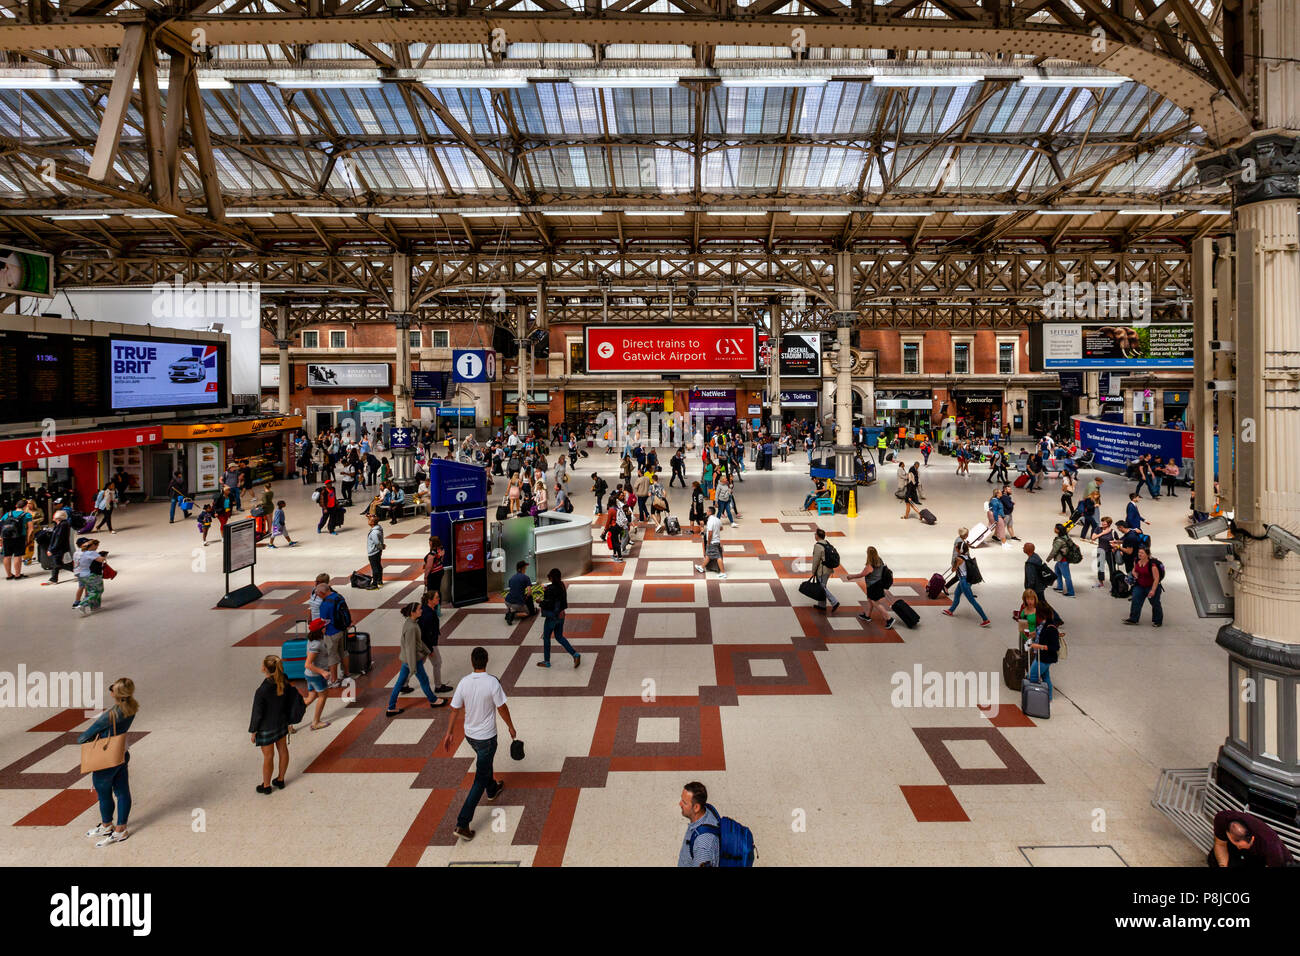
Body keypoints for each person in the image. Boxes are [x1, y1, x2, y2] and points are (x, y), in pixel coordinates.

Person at [442, 647, 518, 842]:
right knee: (479, 778)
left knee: (485, 764)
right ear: (486, 661)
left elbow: (454, 709)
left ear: (472, 661)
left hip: (470, 736)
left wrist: (449, 732)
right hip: (487, 738)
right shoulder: (492, 683)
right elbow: (502, 707)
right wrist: (511, 727)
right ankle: (463, 823)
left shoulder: (464, 682)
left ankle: (492, 788)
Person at [78, 677, 138, 847]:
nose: (110, 690)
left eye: (112, 688)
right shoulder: (132, 707)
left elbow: (82, 738)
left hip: (106, 759)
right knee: (122, 791)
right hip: (121, 753)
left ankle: (106, 825)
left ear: (116, 694)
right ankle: (121, 830)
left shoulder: (110, 715)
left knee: (103, 793)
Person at [386, 602, 449, 717]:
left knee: (399, 683)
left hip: (407, 660)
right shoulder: (411, 627)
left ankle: (391, 707)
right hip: (413, 660)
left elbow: (418, 643)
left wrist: (427, 651)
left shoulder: (411, 623)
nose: (422, 611)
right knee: (424, 680)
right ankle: (433, 700)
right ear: (412, 612)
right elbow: (411, 649)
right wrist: (413, 667)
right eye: (419, 609)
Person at [249, 655, 296, 794]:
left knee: (268, 756)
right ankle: (281, 779)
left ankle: (266, 785)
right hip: (281, 722)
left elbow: (257, 713)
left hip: (265, 728)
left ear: (264, 668)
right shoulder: (284, 681)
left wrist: (253, 731)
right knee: (283, 750)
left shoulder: (262, 691)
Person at [1208, 810, 1293, 868]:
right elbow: (1220, 845)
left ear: (1252, 839)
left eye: (1242, 846)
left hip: (1263, 858)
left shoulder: (1270, 845)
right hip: (1241, 852)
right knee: (1213, 859)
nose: (1239, 847)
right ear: (1228, 834)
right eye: (1238, 846)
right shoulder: (1222, 818)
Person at [538, 567, 581, 668]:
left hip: (552, 617)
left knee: (546, 638)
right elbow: (557, 597)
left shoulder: (550, 589)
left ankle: (546, 661)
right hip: (561, 615)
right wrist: (547, 589)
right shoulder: (561, 585)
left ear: (551, 578)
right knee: (559, 637)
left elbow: (548, 604)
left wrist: (540, 601)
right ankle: (575, 654)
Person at [847, 546, 895, 630]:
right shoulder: (879, 560)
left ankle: (889, 619)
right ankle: (867, 615)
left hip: (873, 586)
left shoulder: (870, 566)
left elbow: (861, 575)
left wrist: (851, 577)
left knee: (876, 603)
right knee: (870, 600)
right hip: (878, 584)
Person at [942, 551, 991, 626]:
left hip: (963, 581)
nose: (955, 549)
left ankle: (985, 619)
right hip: (968, 579)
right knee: (957, 594)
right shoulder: (967, 556)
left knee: (972, 600)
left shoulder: (959, 559)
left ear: (959, 550)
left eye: (957, 547)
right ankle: (950, 610)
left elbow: (953, 570)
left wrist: (954, 562)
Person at [678, 781, 721, 867]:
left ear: (696, 807)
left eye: (684, 802)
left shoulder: (702, 845)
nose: (680, 804)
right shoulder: (706, 812)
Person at [419, 588, 453, 694]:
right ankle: (438, 686)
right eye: (437, 597)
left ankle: (404, 684)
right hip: (429, 644)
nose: (439, 599)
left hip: (425, 643)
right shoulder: (428, 614)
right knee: (437, 663)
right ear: (430, 600)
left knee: (418, 663)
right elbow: (426, 633)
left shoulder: (426, 610)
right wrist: (430, 649)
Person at [301, 617, 332, 730]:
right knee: (323, 696)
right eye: (324, 626)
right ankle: (316, 722)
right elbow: (308, 664)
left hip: (310, 675)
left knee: (310, 697)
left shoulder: (313, 640)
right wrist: (323, 672)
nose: (326, 627)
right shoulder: (316, 644)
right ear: (321, 630)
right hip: (316, 676)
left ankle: (290, 721)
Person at [1123, 547, 1164, 628]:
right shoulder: (1136, 561)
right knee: (1135, 601)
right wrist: (1134, 573)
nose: (1139, 554)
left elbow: (1156, 579)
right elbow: (1134, 569)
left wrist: (1153, 590)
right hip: (1140, 586)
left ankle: (1157, 621)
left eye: (1142, 553)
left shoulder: (1152, 565)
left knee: (1155, 603)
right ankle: (1133, 619)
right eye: (1139, 552)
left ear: (1147, 555)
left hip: (1151, 586)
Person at [1025, 620, 1061, 700]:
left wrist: (1039, 646)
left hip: (1045, 657)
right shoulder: (1043, 624)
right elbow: (1037, 633)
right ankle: (1048, 697)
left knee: (1032, 676)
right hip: (1041, 655)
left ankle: (1033, 699)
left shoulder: (1050, 628)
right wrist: (1030, 635)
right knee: (1045, 676)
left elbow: (1055, 647)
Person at [809, 528, 840, 614]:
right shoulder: (827, 543)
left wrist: (813, 571)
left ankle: (834, 602)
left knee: (822, 587)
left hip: (822, 571)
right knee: (822, 586)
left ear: (818, 536)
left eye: (815, 534)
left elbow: (816, 560)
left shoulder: (818, 546)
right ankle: (822, 605)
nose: (814, 536)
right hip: (828, 569)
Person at [2, 501, 33, 580]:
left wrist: (1, 538)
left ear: (16, 505)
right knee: (18, 555)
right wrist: (28, 539)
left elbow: (1, 525)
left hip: (6, 537)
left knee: (7, 556)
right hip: (19, 537)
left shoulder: (7, 514)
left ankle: (9, 575)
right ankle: (17, 575)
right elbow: (31, 529)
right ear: (26, 506)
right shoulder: (27, 515)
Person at [40, 509, 72, 586]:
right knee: (61, 564)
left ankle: (53, 579)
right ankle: (80, 572)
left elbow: (59, 538)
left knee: (57, 563)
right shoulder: (59, 524)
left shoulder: (63, 525)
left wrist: (52, 549)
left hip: (59, 548)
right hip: (59, 548)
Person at [694, 505, 726, 579]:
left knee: (718, 557)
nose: (706, 512)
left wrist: (708, 542)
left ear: (710, 512)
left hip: (712, 541)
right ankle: (701, 567)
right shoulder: (717, 519)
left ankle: (723, 572)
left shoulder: (710, 521)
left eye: (707, 511)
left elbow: (710, 533)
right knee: (709, 555)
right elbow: (721, 528)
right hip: (717, 540)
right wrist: (716, 531)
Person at [1046, 523, 1076, 598]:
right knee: (1057, 571)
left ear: (1058, 530)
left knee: (1067, 576)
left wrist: (1048, 559)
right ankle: (1060, 587)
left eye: (1055, 528)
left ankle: (1071, 592)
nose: (1054, 529)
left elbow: (1054, 551)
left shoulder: (1059, 540)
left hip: (1062, 560)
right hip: (1063, 560)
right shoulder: (1066, 537)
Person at [504, 560, 536, 624]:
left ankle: (510, 611)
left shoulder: (511, 578)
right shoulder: (526, 577)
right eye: (525, 568)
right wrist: (526, 598)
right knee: (527, 613)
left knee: (521, 598)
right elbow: (529, 592)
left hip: (507, 601)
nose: (525, 569)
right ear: (523, 568)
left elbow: (514, 590)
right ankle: (512, 614)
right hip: (517, 604)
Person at [365, 514, 384, 587]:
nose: (368, 521)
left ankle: (374, 584)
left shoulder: (374, 532)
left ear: (373, 523)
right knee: (378, 566)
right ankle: (380, 581)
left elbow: (376, 542)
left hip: (373, 552)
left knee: (375, 568)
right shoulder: (378, 528)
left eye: (370, 520)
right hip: (378, 551)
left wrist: (381, 547)